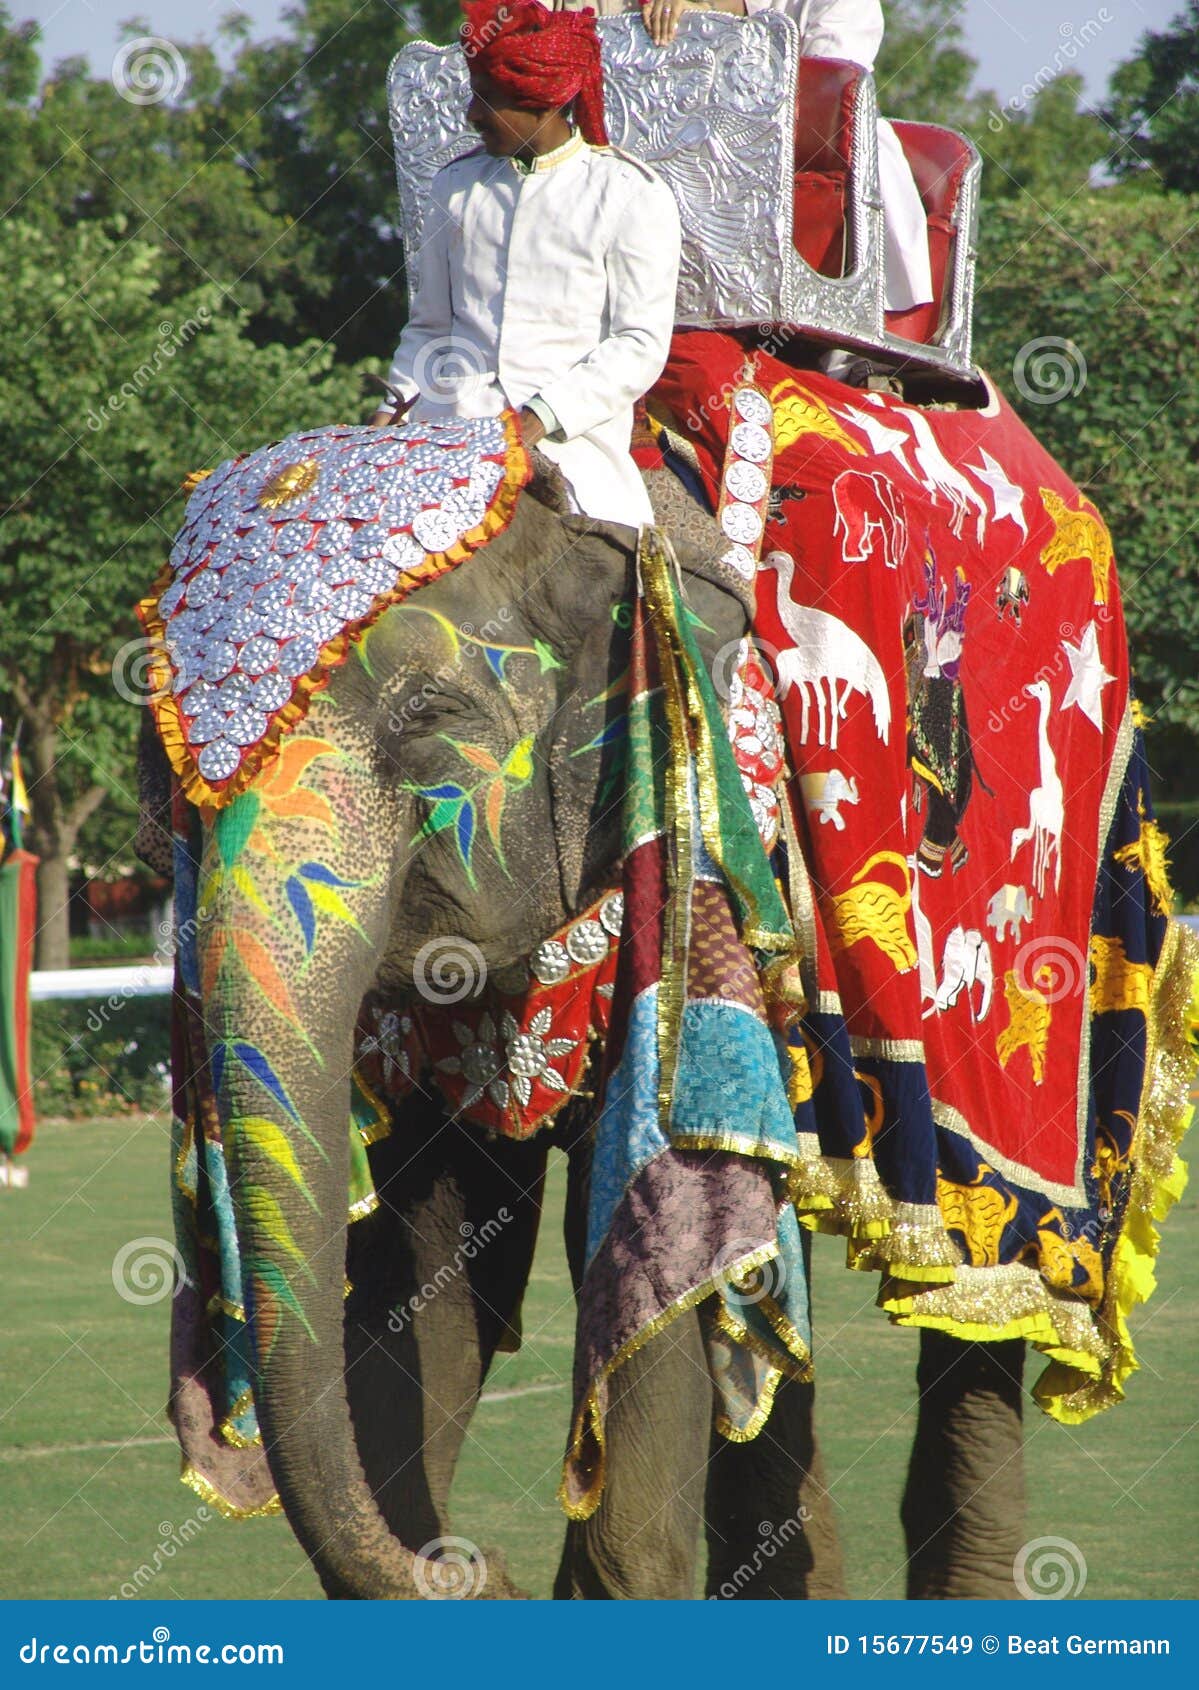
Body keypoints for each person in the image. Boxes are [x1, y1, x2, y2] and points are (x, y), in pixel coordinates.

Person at [372, 0, 682, 530]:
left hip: (571, 446)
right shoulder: (455, 186)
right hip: (445, 437)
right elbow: (429, 327)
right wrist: (390, 409)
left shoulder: (629, 193)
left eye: (487, 100)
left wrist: (540, 418)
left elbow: (639, 344)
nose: (471, 116)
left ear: (544, 102)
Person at [570, 0, 934, 314]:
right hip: (686, 133)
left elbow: (827, 84)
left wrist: (715, 24)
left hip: (794, 134)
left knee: (867, 144)